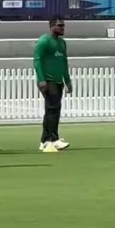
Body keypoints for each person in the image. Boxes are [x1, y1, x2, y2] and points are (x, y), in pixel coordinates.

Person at [34, 16, 72, 152]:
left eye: (63, 25)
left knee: (54, 109)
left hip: (58, 80)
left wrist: (67, 80)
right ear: (52, 26)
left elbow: (64, 62)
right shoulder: (44, 41)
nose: (62, 28)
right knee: (52, 109)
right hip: (48, 80)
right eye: (60, 25)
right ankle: (53, 139)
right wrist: (41, 79)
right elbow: (37, 60)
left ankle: (45, 140)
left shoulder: (62, 43)